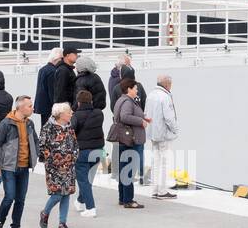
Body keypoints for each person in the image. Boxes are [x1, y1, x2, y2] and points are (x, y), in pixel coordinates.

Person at [0, 95, 40, 228]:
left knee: (20, 199)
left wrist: (36, 154)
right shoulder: (6, 123)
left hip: (24, 168)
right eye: (30, 106)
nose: (32, 108)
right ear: (20, 107)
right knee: (9, 197)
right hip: (9, 168)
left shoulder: (30, 124)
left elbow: (36, 141)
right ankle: (0, 223)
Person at [110, 77, 150, 208]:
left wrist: (144, 118)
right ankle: (129, 200)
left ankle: (123, 197)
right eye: (135, 88)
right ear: (129, 89)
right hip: (131, 140)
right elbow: (125, 116)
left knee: (123, 169)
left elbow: (123, 116)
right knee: (129, 170)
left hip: (123, 139)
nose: (137, 90)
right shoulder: (128, 101)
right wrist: (141, 121)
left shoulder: (121, 100)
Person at [39, 102, 79, 228]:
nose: (71, 114)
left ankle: (62, 223)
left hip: (68, 166)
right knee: (57, 194)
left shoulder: (69, 127)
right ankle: (45, 213)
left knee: (66, 193)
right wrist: (52, 160)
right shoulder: (48, 127)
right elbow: (42, 146)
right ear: (61, 114)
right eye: (69, 112)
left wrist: (74, 156)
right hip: (54, 168)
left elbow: (74, 144)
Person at [70, 89, 104, 217]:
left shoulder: (76, 116)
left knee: (83, 181)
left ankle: (91, 208)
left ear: (78, 102)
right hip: (98, 151)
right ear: (91, 100)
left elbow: (72, 132)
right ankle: (80, 201)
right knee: (88, 180)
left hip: (83, 151)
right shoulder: (99, 113)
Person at [145, 74, 179, 199]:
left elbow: (146, 113)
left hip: (153, 133)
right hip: (163, 134)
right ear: (167, 84)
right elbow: (169, 118)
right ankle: (162, 191)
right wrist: (175, 130)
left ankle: (155, 190)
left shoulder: (151, 95)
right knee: (165, 162)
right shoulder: (165, 97)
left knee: (155, 162)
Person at [33, 49, 62, 130]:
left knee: (44, 128)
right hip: (49, 106)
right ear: (57, 59)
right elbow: (52, 90)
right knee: (50, 130)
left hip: (42, 105)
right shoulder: (53, 71)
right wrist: (55, 106)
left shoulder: (43, 69)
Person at [51, 44, 80, 112]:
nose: (77, 56)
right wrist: (63, 108)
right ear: (67, 55)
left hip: (68, 106)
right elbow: (60, 91)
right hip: (65, 107)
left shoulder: (67, 69)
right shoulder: (63, 70)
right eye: (75, 54)